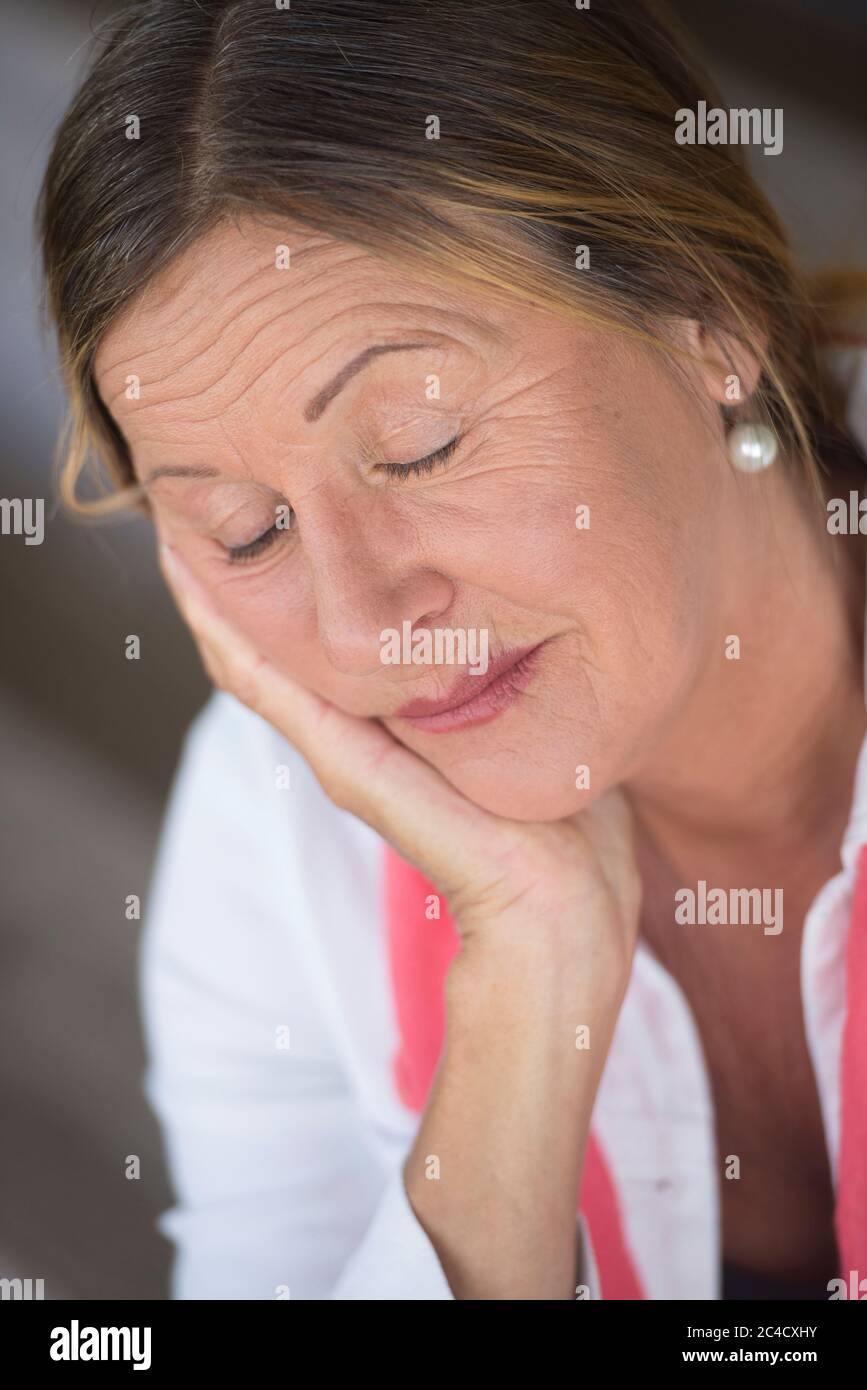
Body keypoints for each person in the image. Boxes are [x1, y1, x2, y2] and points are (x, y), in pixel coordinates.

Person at [36, 0, 867, 1298]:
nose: (366, 622)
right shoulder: (280, 830)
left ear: (702, 309)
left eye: (421, 440)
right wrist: (526, 985)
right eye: (247, 531)